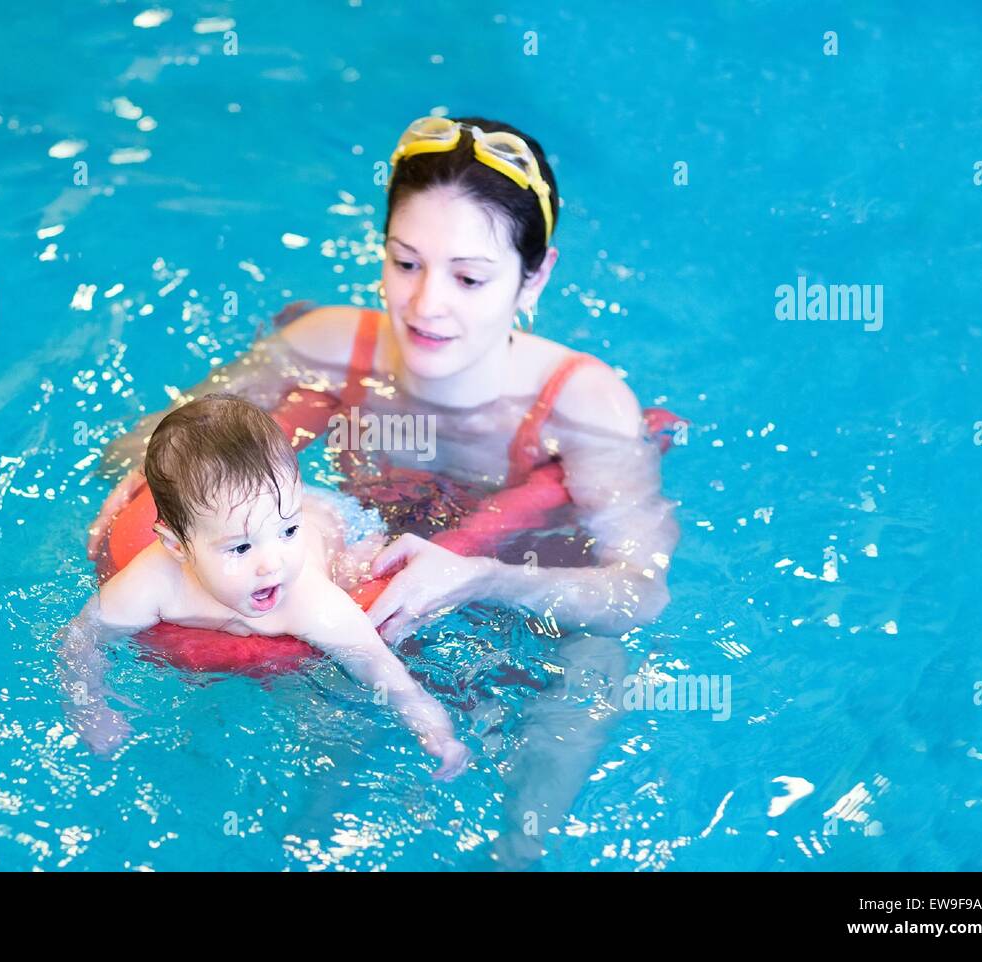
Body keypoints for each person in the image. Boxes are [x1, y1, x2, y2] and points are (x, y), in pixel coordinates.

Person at [88, 115, 680, 862]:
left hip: (518, 615)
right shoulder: (330, 347)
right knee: (324, 753)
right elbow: (152, 443)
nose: (427, 305)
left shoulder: (582, 403)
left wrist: (484, 579)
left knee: (598, 668)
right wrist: (147, 474)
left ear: (536, 276)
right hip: (351, 587)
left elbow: (641, 594)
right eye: (405, 263)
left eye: (469, 277)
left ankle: (517, 853)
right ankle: (306, 835)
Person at [60, 394, 472, 781]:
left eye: (288, 532)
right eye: (240, 547)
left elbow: (379, 665)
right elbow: (81, 639)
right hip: (267, 509)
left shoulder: (308, 596)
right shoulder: (153, 581)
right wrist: (89, 706)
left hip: (329, 520)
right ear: (177, 546)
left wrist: (431, 726)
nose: (273, 565)